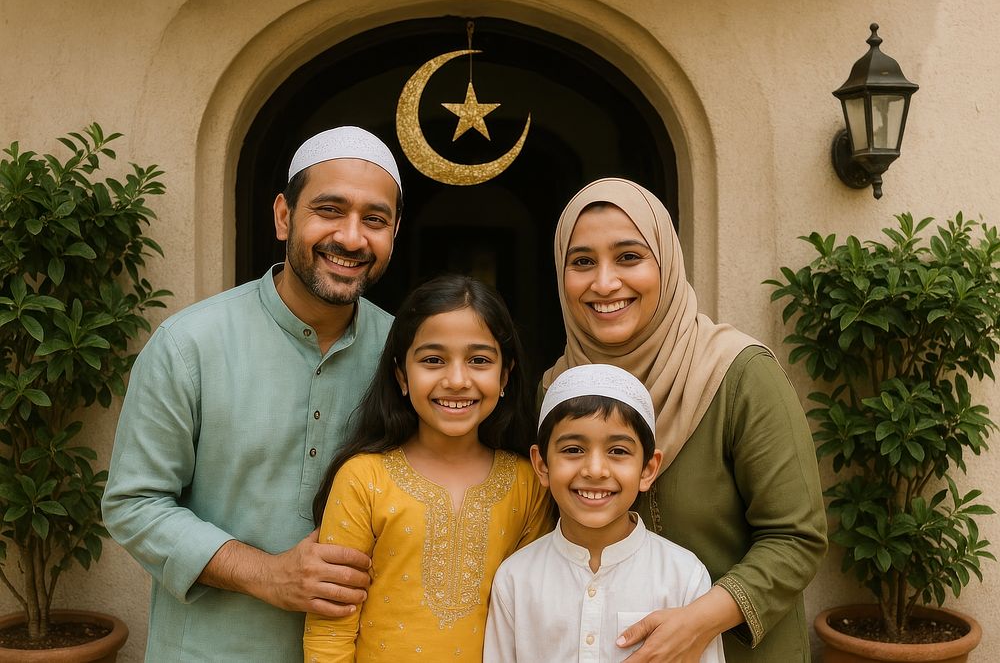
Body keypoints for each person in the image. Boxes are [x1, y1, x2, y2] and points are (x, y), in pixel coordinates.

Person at [102, 126, 404, 660]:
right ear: (284, 216)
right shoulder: (189, 345)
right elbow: (134, 504)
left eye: (374, 220)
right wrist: (268, 574)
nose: (353, 238)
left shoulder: (406, 355)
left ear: (394, 234)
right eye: (330, 210)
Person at [541, 178, 828, 662]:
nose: (605, 282)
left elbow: (795, 536)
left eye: (629, 257)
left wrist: (699, 622)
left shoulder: (737, 374)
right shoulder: (559, 389)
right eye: (582, 261)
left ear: (667, 265)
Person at [303, 274, 551, 661]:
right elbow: (330, 627)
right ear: (402, 374)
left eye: (479, 360)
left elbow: (535, 619)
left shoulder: (527, 483)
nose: (456, 380)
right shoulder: (364, 479)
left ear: (505, 375)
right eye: (433, 360)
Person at [485, 363, 726, 663]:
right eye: (573, 449)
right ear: (542, 465)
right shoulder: (516, 579)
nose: (595, 470)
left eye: (618, 451)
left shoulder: (683, 576)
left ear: (648, 469)